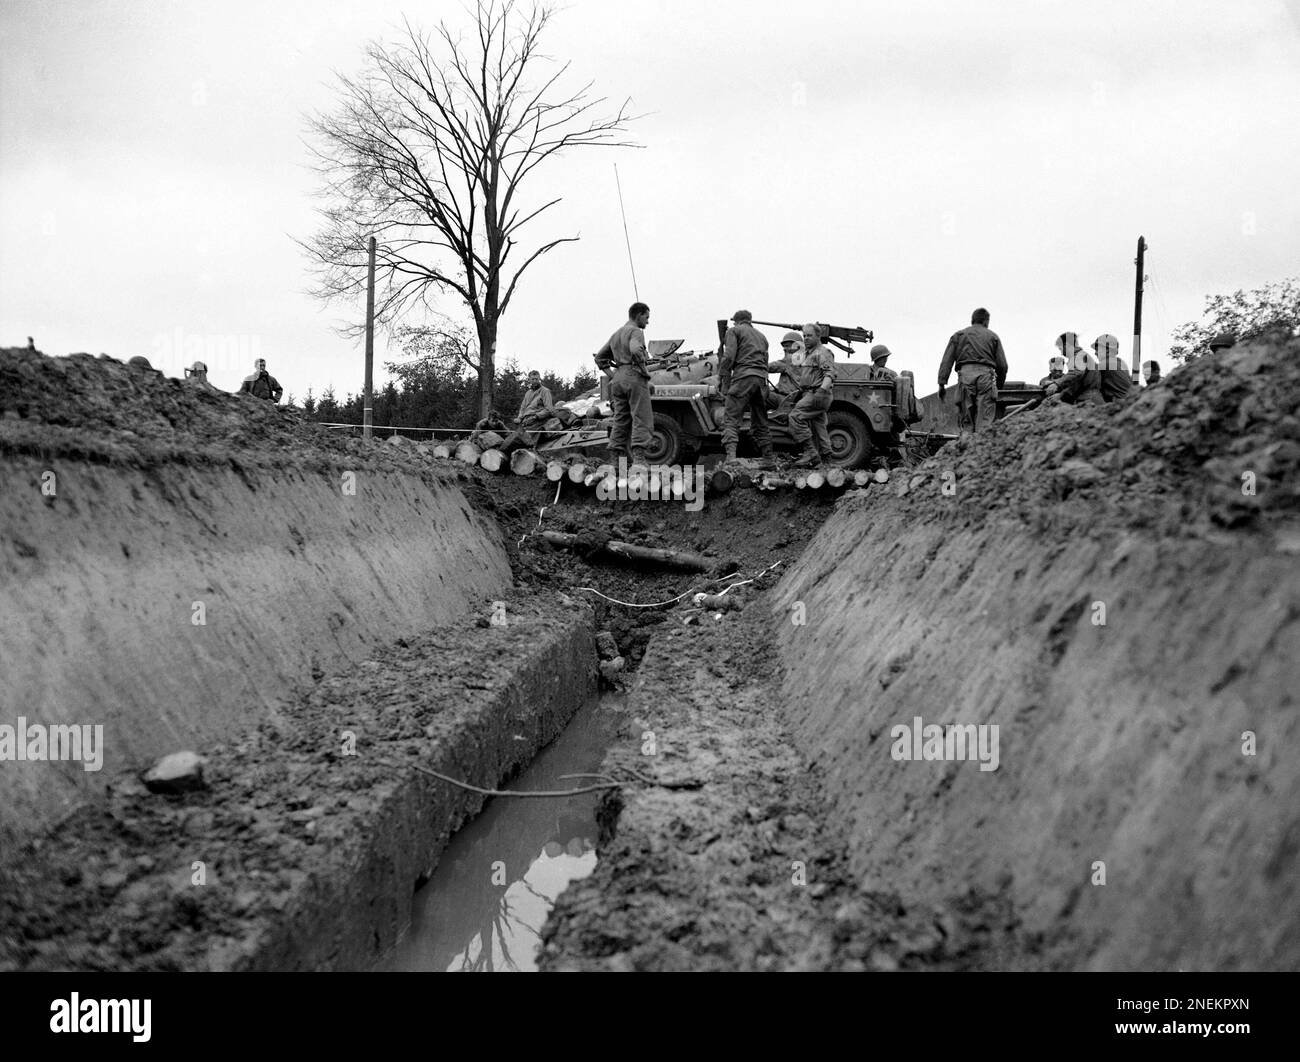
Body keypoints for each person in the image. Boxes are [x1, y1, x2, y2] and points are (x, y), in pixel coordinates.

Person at [594, 302, 654, 469]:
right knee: (642, 417)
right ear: (639, 315)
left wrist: (614, 376)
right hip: (634, 377)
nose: (647, 322)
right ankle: (639, 460)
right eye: (647, 317)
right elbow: (635, 350)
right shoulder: (636, 331)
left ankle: (615, 460)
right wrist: (644, 371)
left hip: (618, 379)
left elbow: (599, 358)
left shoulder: (616, 334)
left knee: (620, 419)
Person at [938, 308, 1007, 434]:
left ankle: (966, 447)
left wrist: (942, 384)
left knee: (967, 421)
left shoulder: (958, 336)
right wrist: (998, 386)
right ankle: (982, 449)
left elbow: (946, 360)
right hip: (986, 377)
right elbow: (1002, 366)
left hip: (965, 376)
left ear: (972, 320)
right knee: (985, 421)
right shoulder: (993, 336)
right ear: (986, 321)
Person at [718, 309, 772, 463]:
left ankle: (731, 457)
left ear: (736, 321)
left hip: (743, 377)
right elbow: (766, 361)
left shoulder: (734, 331)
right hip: (761, 380)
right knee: (761, 420)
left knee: (731, 418)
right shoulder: (762, 337)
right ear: (750, 320)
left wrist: (722, 377)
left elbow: (729, 356)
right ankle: (768, 458)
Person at [788, 321, 835, 468]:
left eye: (809, 335)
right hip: (811, 393)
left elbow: (830, 374)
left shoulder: (822, 353)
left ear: (818, 336)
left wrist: (822, 391)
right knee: (819, 426)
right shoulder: (809, 354)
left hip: (817, 393)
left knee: (795, 416)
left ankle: (810, 453)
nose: (806, 338)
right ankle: (826, 460)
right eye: (804, 335)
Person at [1091, 334, 1133, 402]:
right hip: (1128, 402)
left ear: (1107, 350)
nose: (1095, 353)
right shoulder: (1120, 362)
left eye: (1097, 349)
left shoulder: (1106, 364)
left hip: (1117, 404)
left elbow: (1086, 376)